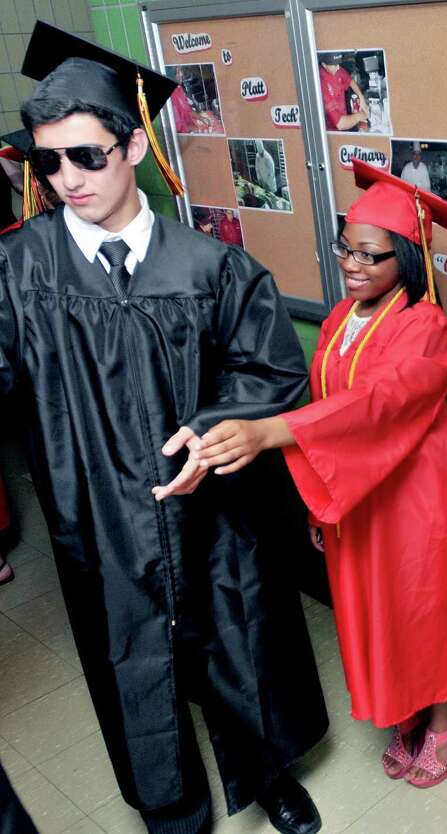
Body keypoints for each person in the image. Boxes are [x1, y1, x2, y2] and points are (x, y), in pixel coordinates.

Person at [1, 21, 328, 834]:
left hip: (211, 500)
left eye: (87, 155)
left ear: (134, 146)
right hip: (97, 513)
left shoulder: (210, 266)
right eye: (47, 160)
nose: (67, 178)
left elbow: (272, 371)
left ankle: (267, 773)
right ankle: (171, 806)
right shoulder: (18, 268)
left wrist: (218, 431)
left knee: (238, 634)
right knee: (129, 658)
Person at [192, 160, 447, 788]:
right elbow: (321, 405)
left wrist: (268, 433)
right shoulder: (343, 318)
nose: (353, 264)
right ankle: (405, 711)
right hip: (353, 494)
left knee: (423, 606)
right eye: (347, 248)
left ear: (407, 258)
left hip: (412, 494)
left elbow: (376, 405)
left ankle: (445, 719)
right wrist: (319, 505)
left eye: (371, 256)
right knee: (371, 611)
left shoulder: (424, 326)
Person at [319, 54, 368, 132]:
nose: (338, 67)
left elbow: (350, 80)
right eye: (335, 65)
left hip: (346, 119)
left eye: (338, 64)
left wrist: (361, 97)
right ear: (324, 65)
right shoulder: (321, 83)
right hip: (332, 131)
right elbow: (340, 124)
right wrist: (361, 115)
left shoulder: (337, 70)